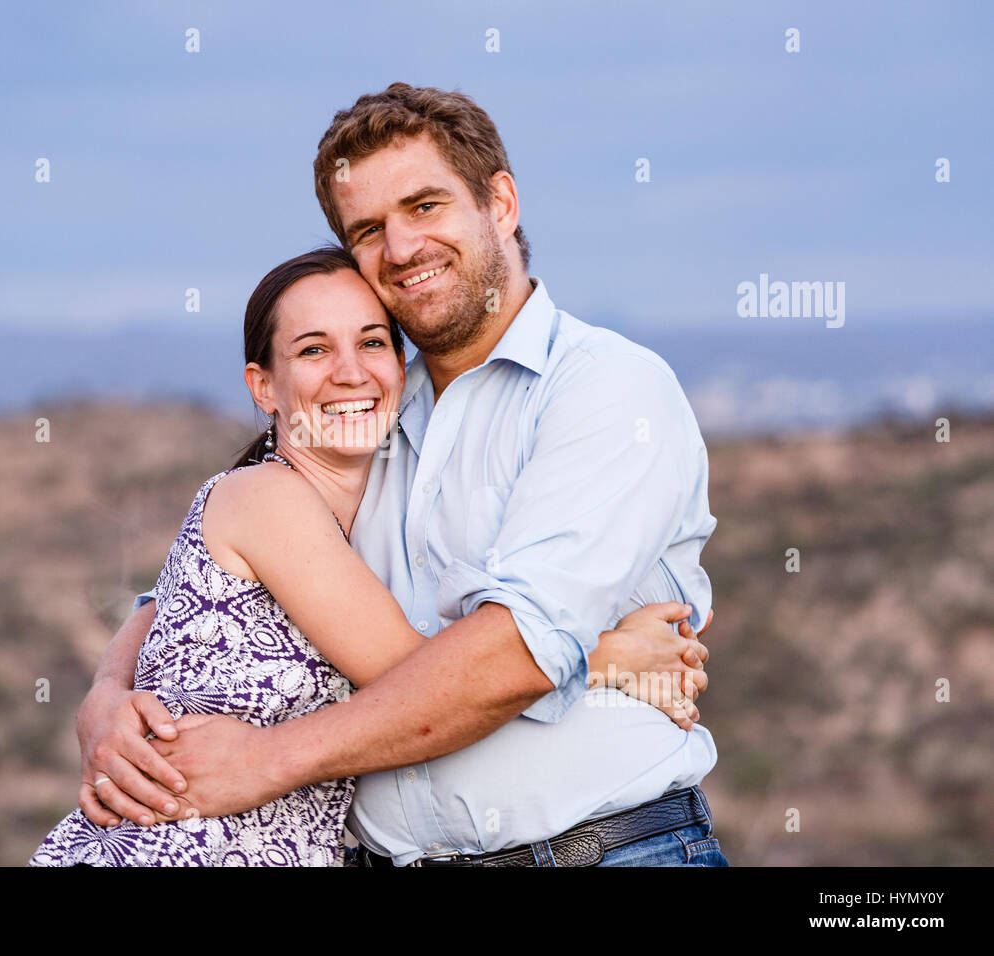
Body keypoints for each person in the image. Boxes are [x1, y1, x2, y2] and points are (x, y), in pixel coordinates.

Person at [76, 83, 728, 867]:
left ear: (501, 202)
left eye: (425, 207)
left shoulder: (604, 388)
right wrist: (108, 698)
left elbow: (513, 658)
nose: (402, 247)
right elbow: (211, 587)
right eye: (369, 229)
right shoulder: (366, 411)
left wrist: (270, 759)